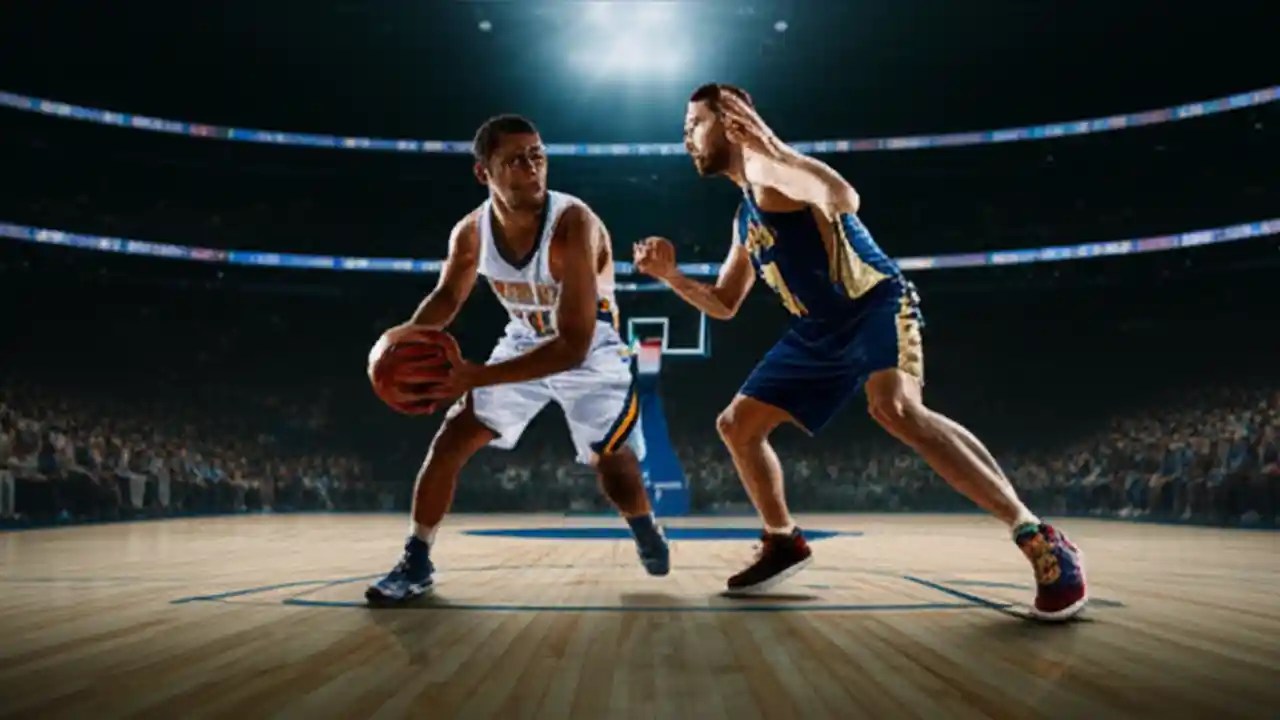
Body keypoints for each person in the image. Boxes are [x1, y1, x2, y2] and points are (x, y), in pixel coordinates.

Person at [632, 84, 1086, 620]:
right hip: (820, 329)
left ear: (733, 119)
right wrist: (673, 277)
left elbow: (843, 197)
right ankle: (783, 541)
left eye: (696, 122)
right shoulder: (744, 215)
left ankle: (1038, 536)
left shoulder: (768, 171)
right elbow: (726, 303)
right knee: (737, 425)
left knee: (895, 407)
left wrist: (775, 148)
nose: (687, 135)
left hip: (872, 302)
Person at [366, 114, 669, 604]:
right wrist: (399, 341)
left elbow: (572, 345)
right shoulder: (471, 233)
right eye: (515, 160)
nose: (531, 168)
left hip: (592, 350)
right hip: (525, 339)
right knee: (451, 440)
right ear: (484, 173)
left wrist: (477, 375)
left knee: (612, 465)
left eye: (537, 156)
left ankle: (644, 527)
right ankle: (416, 560)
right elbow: (446, 298)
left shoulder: (574, 225)